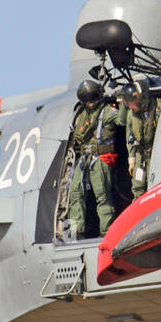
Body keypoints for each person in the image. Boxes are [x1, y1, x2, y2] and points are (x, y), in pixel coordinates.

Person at [65, 79, 122, 239]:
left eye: (92, 99)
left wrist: (122, 102)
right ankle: (77, 231)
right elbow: (79, 134)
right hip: (84, 159)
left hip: (101, 158)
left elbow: (123, 121)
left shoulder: (108, 111)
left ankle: (107, 232)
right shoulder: (82, 114)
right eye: (87, 101)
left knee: (102, 195)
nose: (90, 104)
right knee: (75, 193)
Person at [119, 79, 160, 199]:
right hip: (139, 155)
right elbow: (130, 136)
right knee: (137, 187)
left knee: (155, 187)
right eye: (129, 104)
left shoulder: (157, 108)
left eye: (133, 102)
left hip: (154, 154)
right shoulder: (132, 114)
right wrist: (131, 158)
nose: (131, 107)